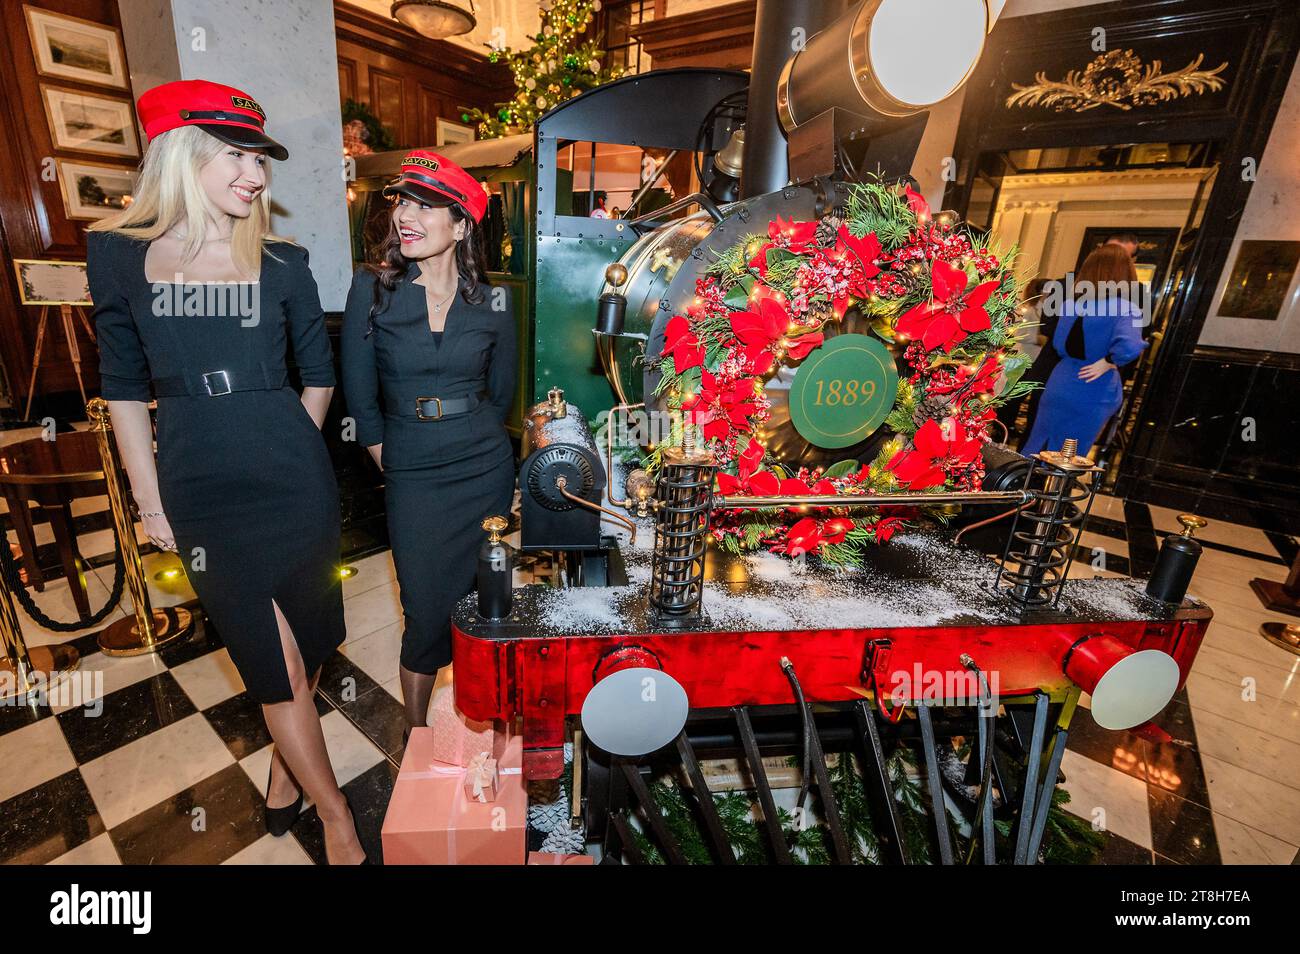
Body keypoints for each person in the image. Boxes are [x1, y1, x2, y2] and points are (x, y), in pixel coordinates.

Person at [86, 80, 366, 864]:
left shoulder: (281, 261)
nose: (257, 175)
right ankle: (336, 814)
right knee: (271, 660)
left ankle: (286, 775)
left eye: (261, 158)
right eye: (239, 156)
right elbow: (121, 388)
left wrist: (289, 446)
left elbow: (318, 372)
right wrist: (148, 498)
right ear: (184, 155)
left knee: (307, 645)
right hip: (199, 485)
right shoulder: (120, 256)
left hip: (293, 476)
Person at [340, 151, 516, 740]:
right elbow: (360, 397)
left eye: (425, 205)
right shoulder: (372, 288)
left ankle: (480, 720)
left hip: (483, 468)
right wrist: (387, 457)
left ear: (462, 225)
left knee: (482, 601)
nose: (405, 216)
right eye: (402, 202)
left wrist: (498, 462)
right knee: (422, 610)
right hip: (412, 467)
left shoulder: (493, 303)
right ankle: (415, 741)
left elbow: (502, 394)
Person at [1021, 245, 1146, 456]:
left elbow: (1059, 344)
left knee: (1039, 445)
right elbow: (1131, 347)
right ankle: (1056, 490)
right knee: (1071, 455)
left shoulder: (1072, 303)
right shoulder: (1125, 307)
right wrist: (1108, 360)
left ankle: (1029, 487)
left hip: (1061, 378)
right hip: (1093, 384)